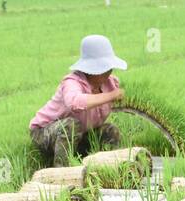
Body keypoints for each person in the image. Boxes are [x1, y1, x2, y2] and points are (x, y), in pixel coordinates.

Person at [30, 35, 127, 166]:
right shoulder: (72, 82)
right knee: (70, 125)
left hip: (81, 135)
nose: (109, 72)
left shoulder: (110, 83)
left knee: (110, 130)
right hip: (45, 134)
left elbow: (119, 99)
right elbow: (75, 103)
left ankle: (109, 168)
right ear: (93, 70)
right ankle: (62, 174)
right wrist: (111, 96)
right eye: (105, 68)